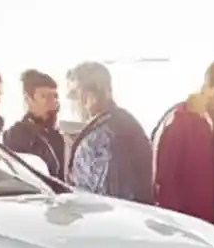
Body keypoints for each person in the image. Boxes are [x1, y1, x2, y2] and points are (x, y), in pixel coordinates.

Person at [153, 59, 214, 227]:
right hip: (189, 224)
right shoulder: (179, 121)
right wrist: (173, 225)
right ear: (212, 90)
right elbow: (165, 181)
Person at [65, 61, 153, 203]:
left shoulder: (101, 138)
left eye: (73, 95)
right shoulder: (126, 123)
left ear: (88, 97)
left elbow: (108, 201)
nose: (71, 103)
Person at [3, 69, 66, 180]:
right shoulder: (16, 137)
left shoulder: (57, 136)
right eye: (44, 97)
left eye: (55, 96)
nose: (52, 102)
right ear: (28, 99)